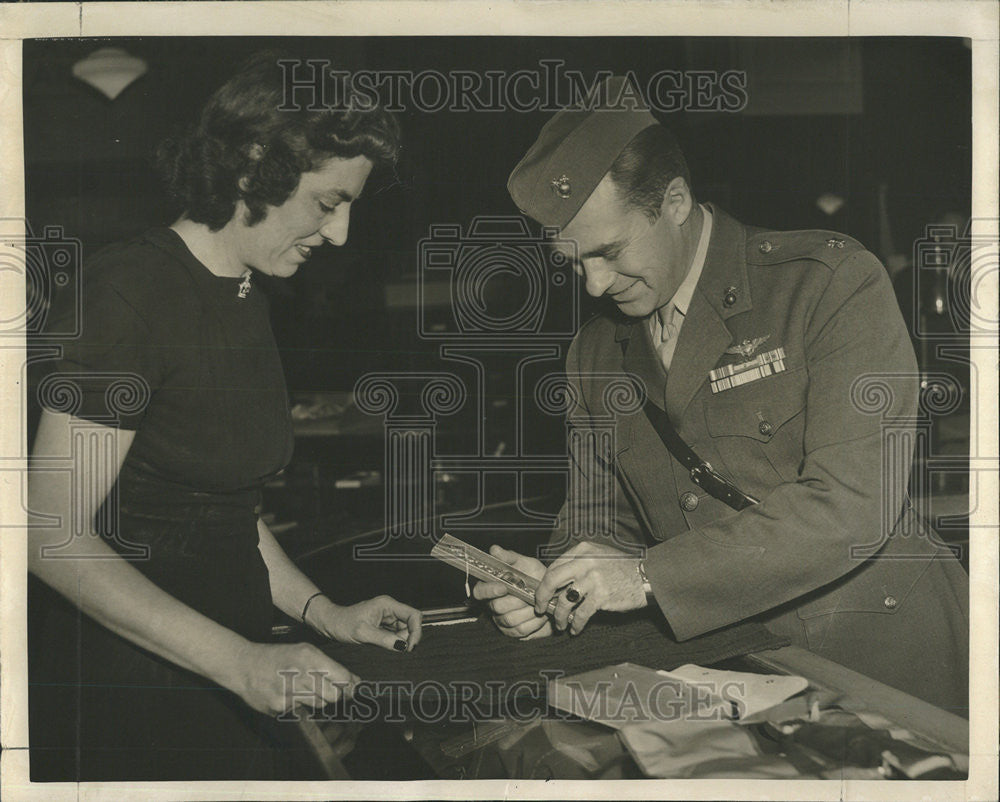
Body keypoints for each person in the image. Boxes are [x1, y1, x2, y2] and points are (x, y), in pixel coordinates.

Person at [474, 77, 969, 714]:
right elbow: (601, 520)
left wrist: (648, 576)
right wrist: (553, 591)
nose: (594, 286)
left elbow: (854, 505)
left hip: (886, 657)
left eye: (609, 252)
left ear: (675, 201)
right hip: (736, 673)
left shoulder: (826, 284)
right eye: (572, 264)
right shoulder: (596, 355)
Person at [28, 52, 422, 781]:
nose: (339, 236)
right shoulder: (128, 294)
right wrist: (238, 662)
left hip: (232, 669)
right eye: (329, 202)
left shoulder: (248, 294)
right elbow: (48, 534)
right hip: (135, 693)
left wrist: (323, 613)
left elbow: (223, 513)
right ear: (253, 168)